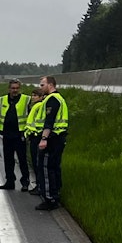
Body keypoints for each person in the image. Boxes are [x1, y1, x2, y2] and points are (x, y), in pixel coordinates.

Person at [35, 75, 69, 210]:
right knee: (54, 167)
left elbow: (49, 121)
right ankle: (56, 195)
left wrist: (44, 139)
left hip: (52, 139)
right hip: (59, 138)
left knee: (46, 168)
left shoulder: (52, 99)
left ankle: (49, 199)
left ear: (50, 85)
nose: (40, 88)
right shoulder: (59, 98)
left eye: (42, 85)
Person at [0, 79, 31, 191]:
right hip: (6, 134)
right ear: (9, 89)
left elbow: (30, 116)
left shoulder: (26, 99)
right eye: (13, 88)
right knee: (8, 160)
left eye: (17, 88)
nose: (15, 90)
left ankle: (25, 182)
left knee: (22, 159)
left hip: (20, 135)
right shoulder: (2, 99)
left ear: (20, 88)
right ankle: (10, 181)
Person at [23, 88, 46, 195]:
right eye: (32, 95)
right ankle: (39, 185)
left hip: (36, 136)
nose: (33, 97)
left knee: (37, 162)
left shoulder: (38, 106)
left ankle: (40, 186)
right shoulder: (36, 106)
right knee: (36, 162)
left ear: (41, 97)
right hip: (35, 136)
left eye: (35, 96)